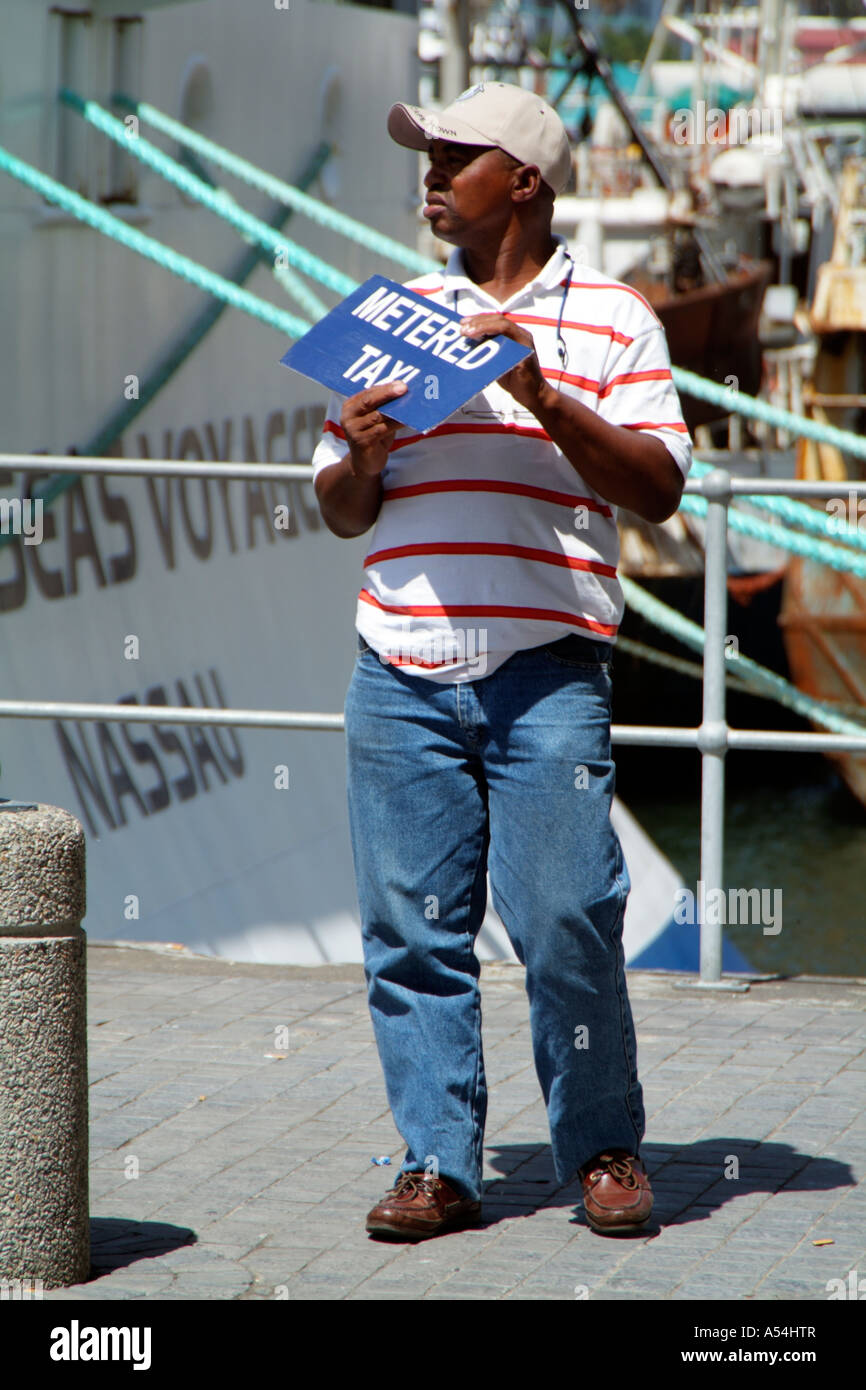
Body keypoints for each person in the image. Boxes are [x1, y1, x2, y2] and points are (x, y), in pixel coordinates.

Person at [311, 82, 692, 1240]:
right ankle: (437, 1162)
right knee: (411, 933)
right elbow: (335, 507)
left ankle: (603, 1146)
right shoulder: (389, 317)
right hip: (399, 672)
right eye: (426, 156)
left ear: (522, 179)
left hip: (545, 675)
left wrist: (543, 396)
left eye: (454, 155)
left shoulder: (615, 320)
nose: (428, 173)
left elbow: (658, 489)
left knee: (569, 913)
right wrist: (360, 458)